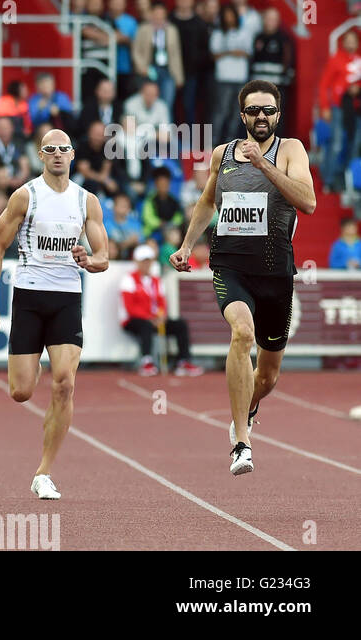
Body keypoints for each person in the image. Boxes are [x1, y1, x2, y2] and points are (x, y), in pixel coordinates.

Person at [169, 80, 316, 476]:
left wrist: (262, 164)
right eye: (254, 111)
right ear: (242, 116)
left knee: (267, 375)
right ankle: (241, 442)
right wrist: (186, 246)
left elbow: (308, 201)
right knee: (241, 333)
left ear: (278, 114)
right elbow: (207, 202)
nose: (262, 117)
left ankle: (249, 405)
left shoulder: (291, 150)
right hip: (230, 266)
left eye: (268, 110)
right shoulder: (223, 154)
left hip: (275, 272)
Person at [0, 128, 111, 500]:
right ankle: (32, 363)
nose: (57, 155)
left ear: (72, 155)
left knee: (65, 382)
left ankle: (44, 472)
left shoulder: (87, 201)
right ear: (41, 156)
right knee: (21, 391)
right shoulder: (26, 196)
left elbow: (103, 256)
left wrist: (91, 259)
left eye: (63, 149)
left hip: (67, 298)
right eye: (49, 150)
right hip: (30, 296)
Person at [120, 244, 203, 376]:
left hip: (155, 319)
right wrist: (149, 318)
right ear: (136, 262)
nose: (146, 264)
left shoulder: (156, 280)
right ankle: (146, 361)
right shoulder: (129, 279)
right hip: (134, 321)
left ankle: (183, 361)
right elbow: (130, 307)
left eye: (148, 261)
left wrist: (161, 316)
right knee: (145, 326)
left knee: (180, 325)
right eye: (143, 261)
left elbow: (161, 303)